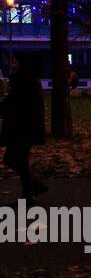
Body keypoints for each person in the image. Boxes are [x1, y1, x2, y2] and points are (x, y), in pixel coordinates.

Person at [1, 54, 48, 201]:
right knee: (15, 159)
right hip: (26, 127)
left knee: (14, 159)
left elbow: (15, 105)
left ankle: (30, 192)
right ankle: (32, 188)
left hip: (22, 128)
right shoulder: (28, 81)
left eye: (15, 62)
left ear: (23, 65)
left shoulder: (24, 82)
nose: (12, 64)